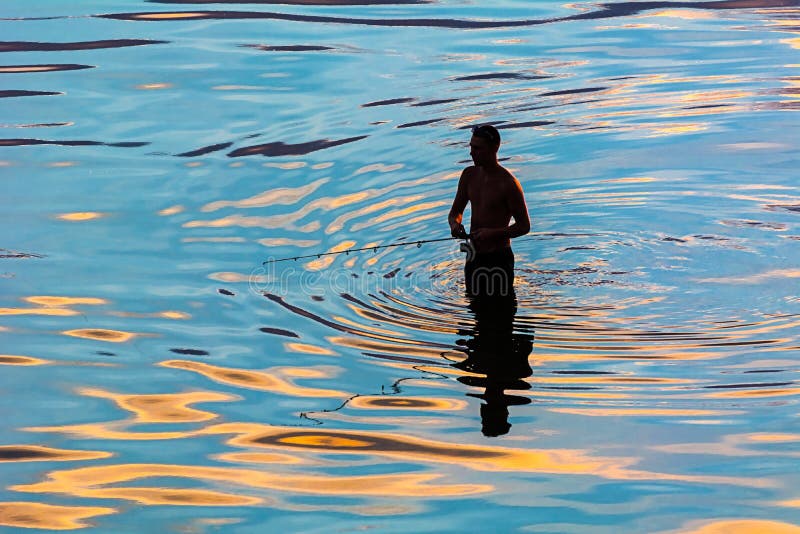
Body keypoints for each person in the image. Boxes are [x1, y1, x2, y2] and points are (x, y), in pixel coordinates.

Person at [448, 124, 530, 298]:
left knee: (500, 312)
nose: (472, 153)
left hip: (498, 257)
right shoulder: (468, 175)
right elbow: (455, 212)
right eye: (471, 147)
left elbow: (524, 226)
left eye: (477, 148)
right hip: (472, 253)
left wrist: (492, 234)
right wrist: (455, 225)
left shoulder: (508, 184)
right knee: (473, 304)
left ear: (494, 148)